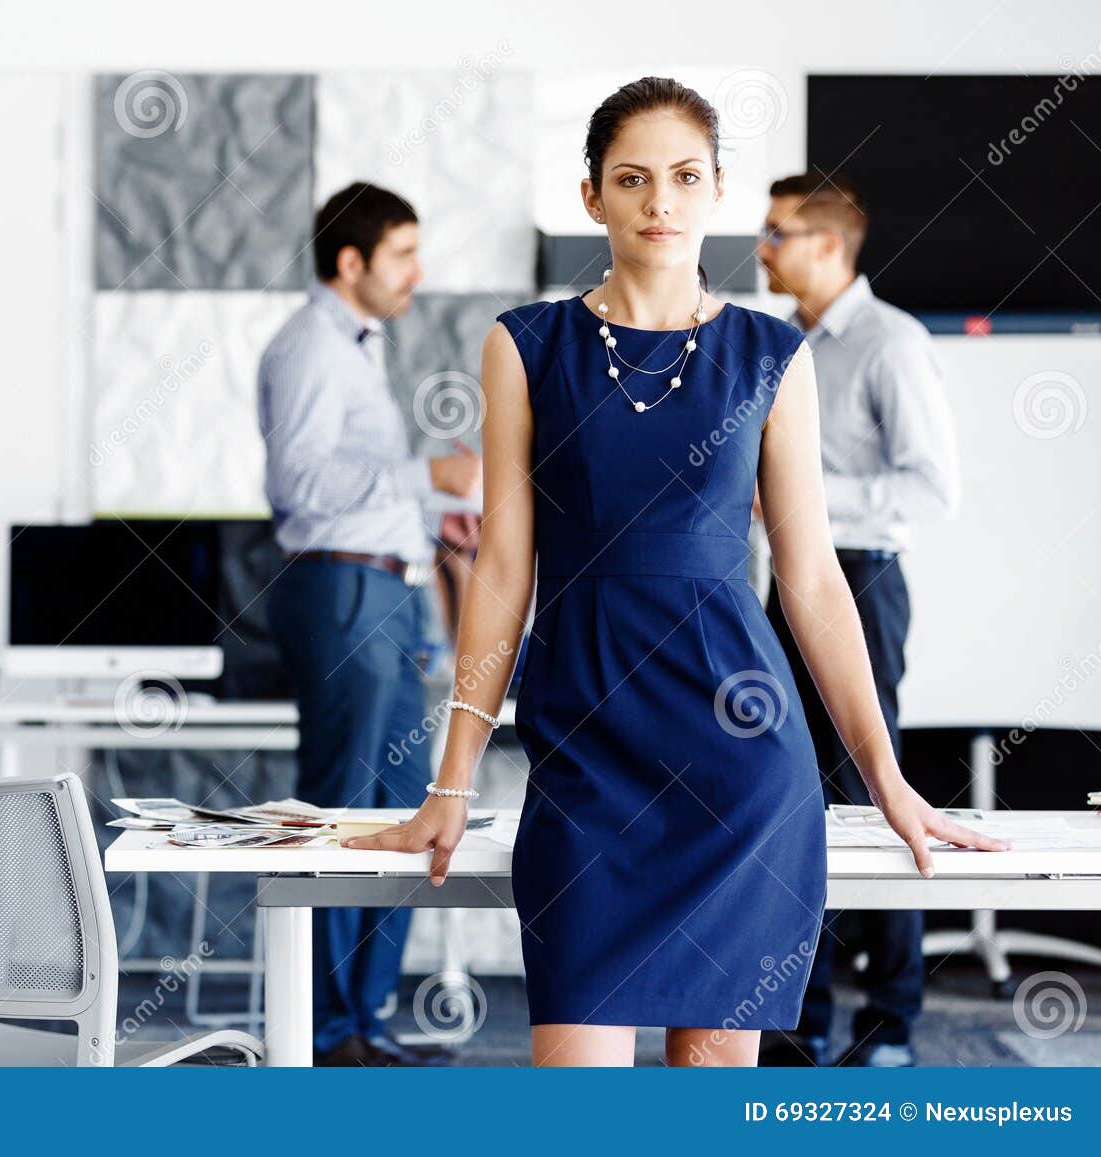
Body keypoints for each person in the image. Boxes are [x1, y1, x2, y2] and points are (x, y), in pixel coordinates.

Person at [341, 77, 1007, 1068]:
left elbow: (813, 579)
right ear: (591, 198)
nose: (660, 200)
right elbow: (501, 572)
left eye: (684, 177)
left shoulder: (772, 354)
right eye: (633, 177)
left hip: (739, 767)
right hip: (585, 756)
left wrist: (883, 778)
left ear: (715, 193)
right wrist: (452, 779)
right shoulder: (525, 345)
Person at [258, 182, 483, 1067]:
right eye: (403, 254)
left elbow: (364, 487)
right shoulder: (310, 346)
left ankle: (362, 1024)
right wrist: (425, 470)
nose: (417, 274)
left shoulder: (357, 346)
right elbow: (301, 490)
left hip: (387, 589)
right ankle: (317, 1032)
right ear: (349, 262)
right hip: (342, 595)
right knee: (343, 812)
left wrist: (433, 505)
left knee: (399, 811)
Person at [753, 172, 963, 1067]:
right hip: (785, 586)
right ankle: (798, 1024)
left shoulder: (889, 343)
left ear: (829, 245)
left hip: (862, 585)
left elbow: (932, 486)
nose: (762, 248)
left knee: (877, 797)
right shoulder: (782, 345)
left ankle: (891, 1022)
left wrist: (803, 499)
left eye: (778, 233)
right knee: (790, 799)